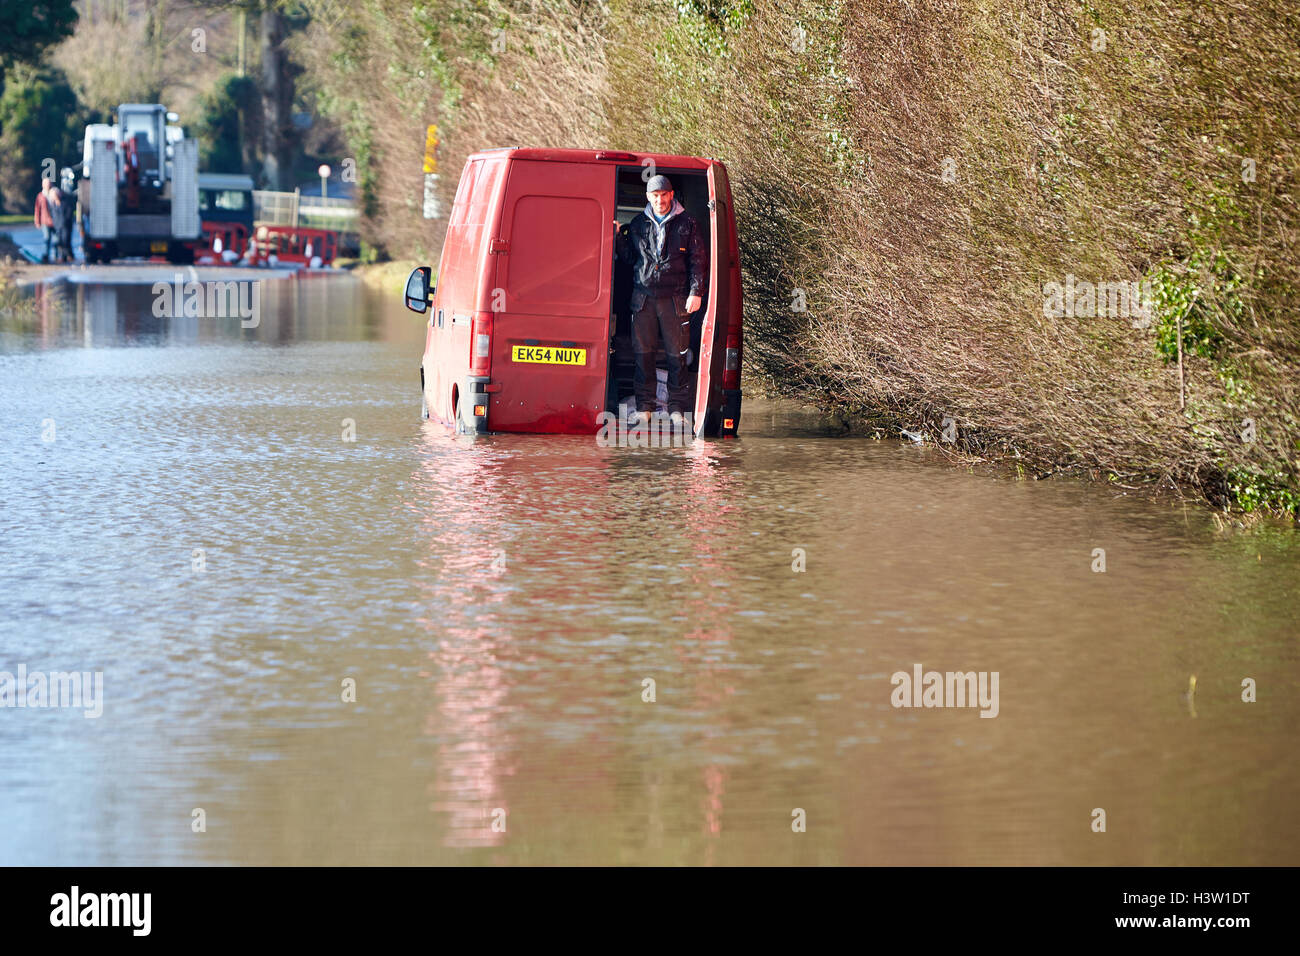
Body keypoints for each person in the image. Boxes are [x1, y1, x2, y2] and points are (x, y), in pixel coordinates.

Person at [615, 174, 707, 424]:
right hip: (643, 298)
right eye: (655, 196)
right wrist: (617, 238)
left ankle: (677, 410)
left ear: (671, 195)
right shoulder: (637, 224)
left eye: (664, 195)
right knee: (642, 353)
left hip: (676, 298)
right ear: (648, 197)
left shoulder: (687, 223)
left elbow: (697, 261)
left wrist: (695, 292)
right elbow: (631, 261)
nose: (660, 200)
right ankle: (644, 407)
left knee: (677, 355)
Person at [34, 178, 57, 263]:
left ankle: (56, 256)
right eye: (46, 183)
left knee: (56, 240)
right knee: (47, 239)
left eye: (49, 183)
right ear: (43, 185)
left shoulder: (54, 193)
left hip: (55, 221)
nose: (47, 185)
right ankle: (46, 256)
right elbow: (37, 209)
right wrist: (37, 221)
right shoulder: (40, 196)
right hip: (45, 221)